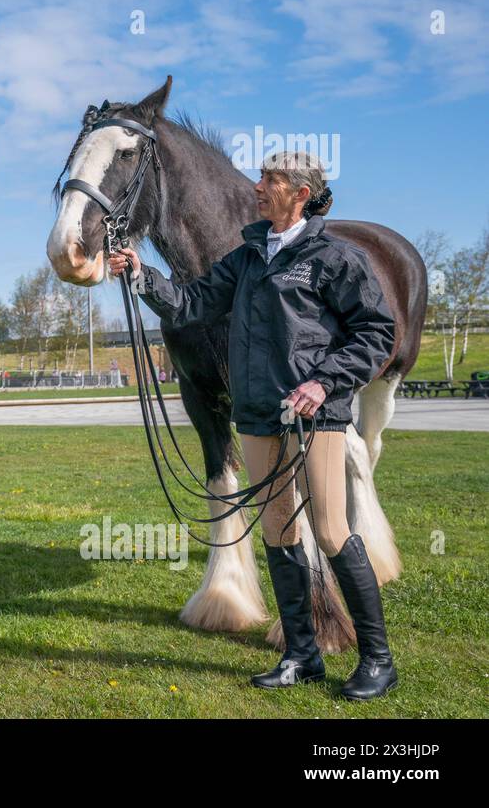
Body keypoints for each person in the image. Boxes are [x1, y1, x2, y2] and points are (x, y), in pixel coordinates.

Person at [108, 151, 399, 701]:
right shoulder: (246, 258)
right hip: (260, 413)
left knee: (333, 531)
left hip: (317, 413)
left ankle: (377, 659)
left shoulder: (336, 258)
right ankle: (301, 655)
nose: (258, 186)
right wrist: (143, 276)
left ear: (301, 194)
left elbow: (375, 332)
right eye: (261, 177)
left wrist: (325, 382)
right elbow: (191, 304)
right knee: (278, 532)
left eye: (271, 179)